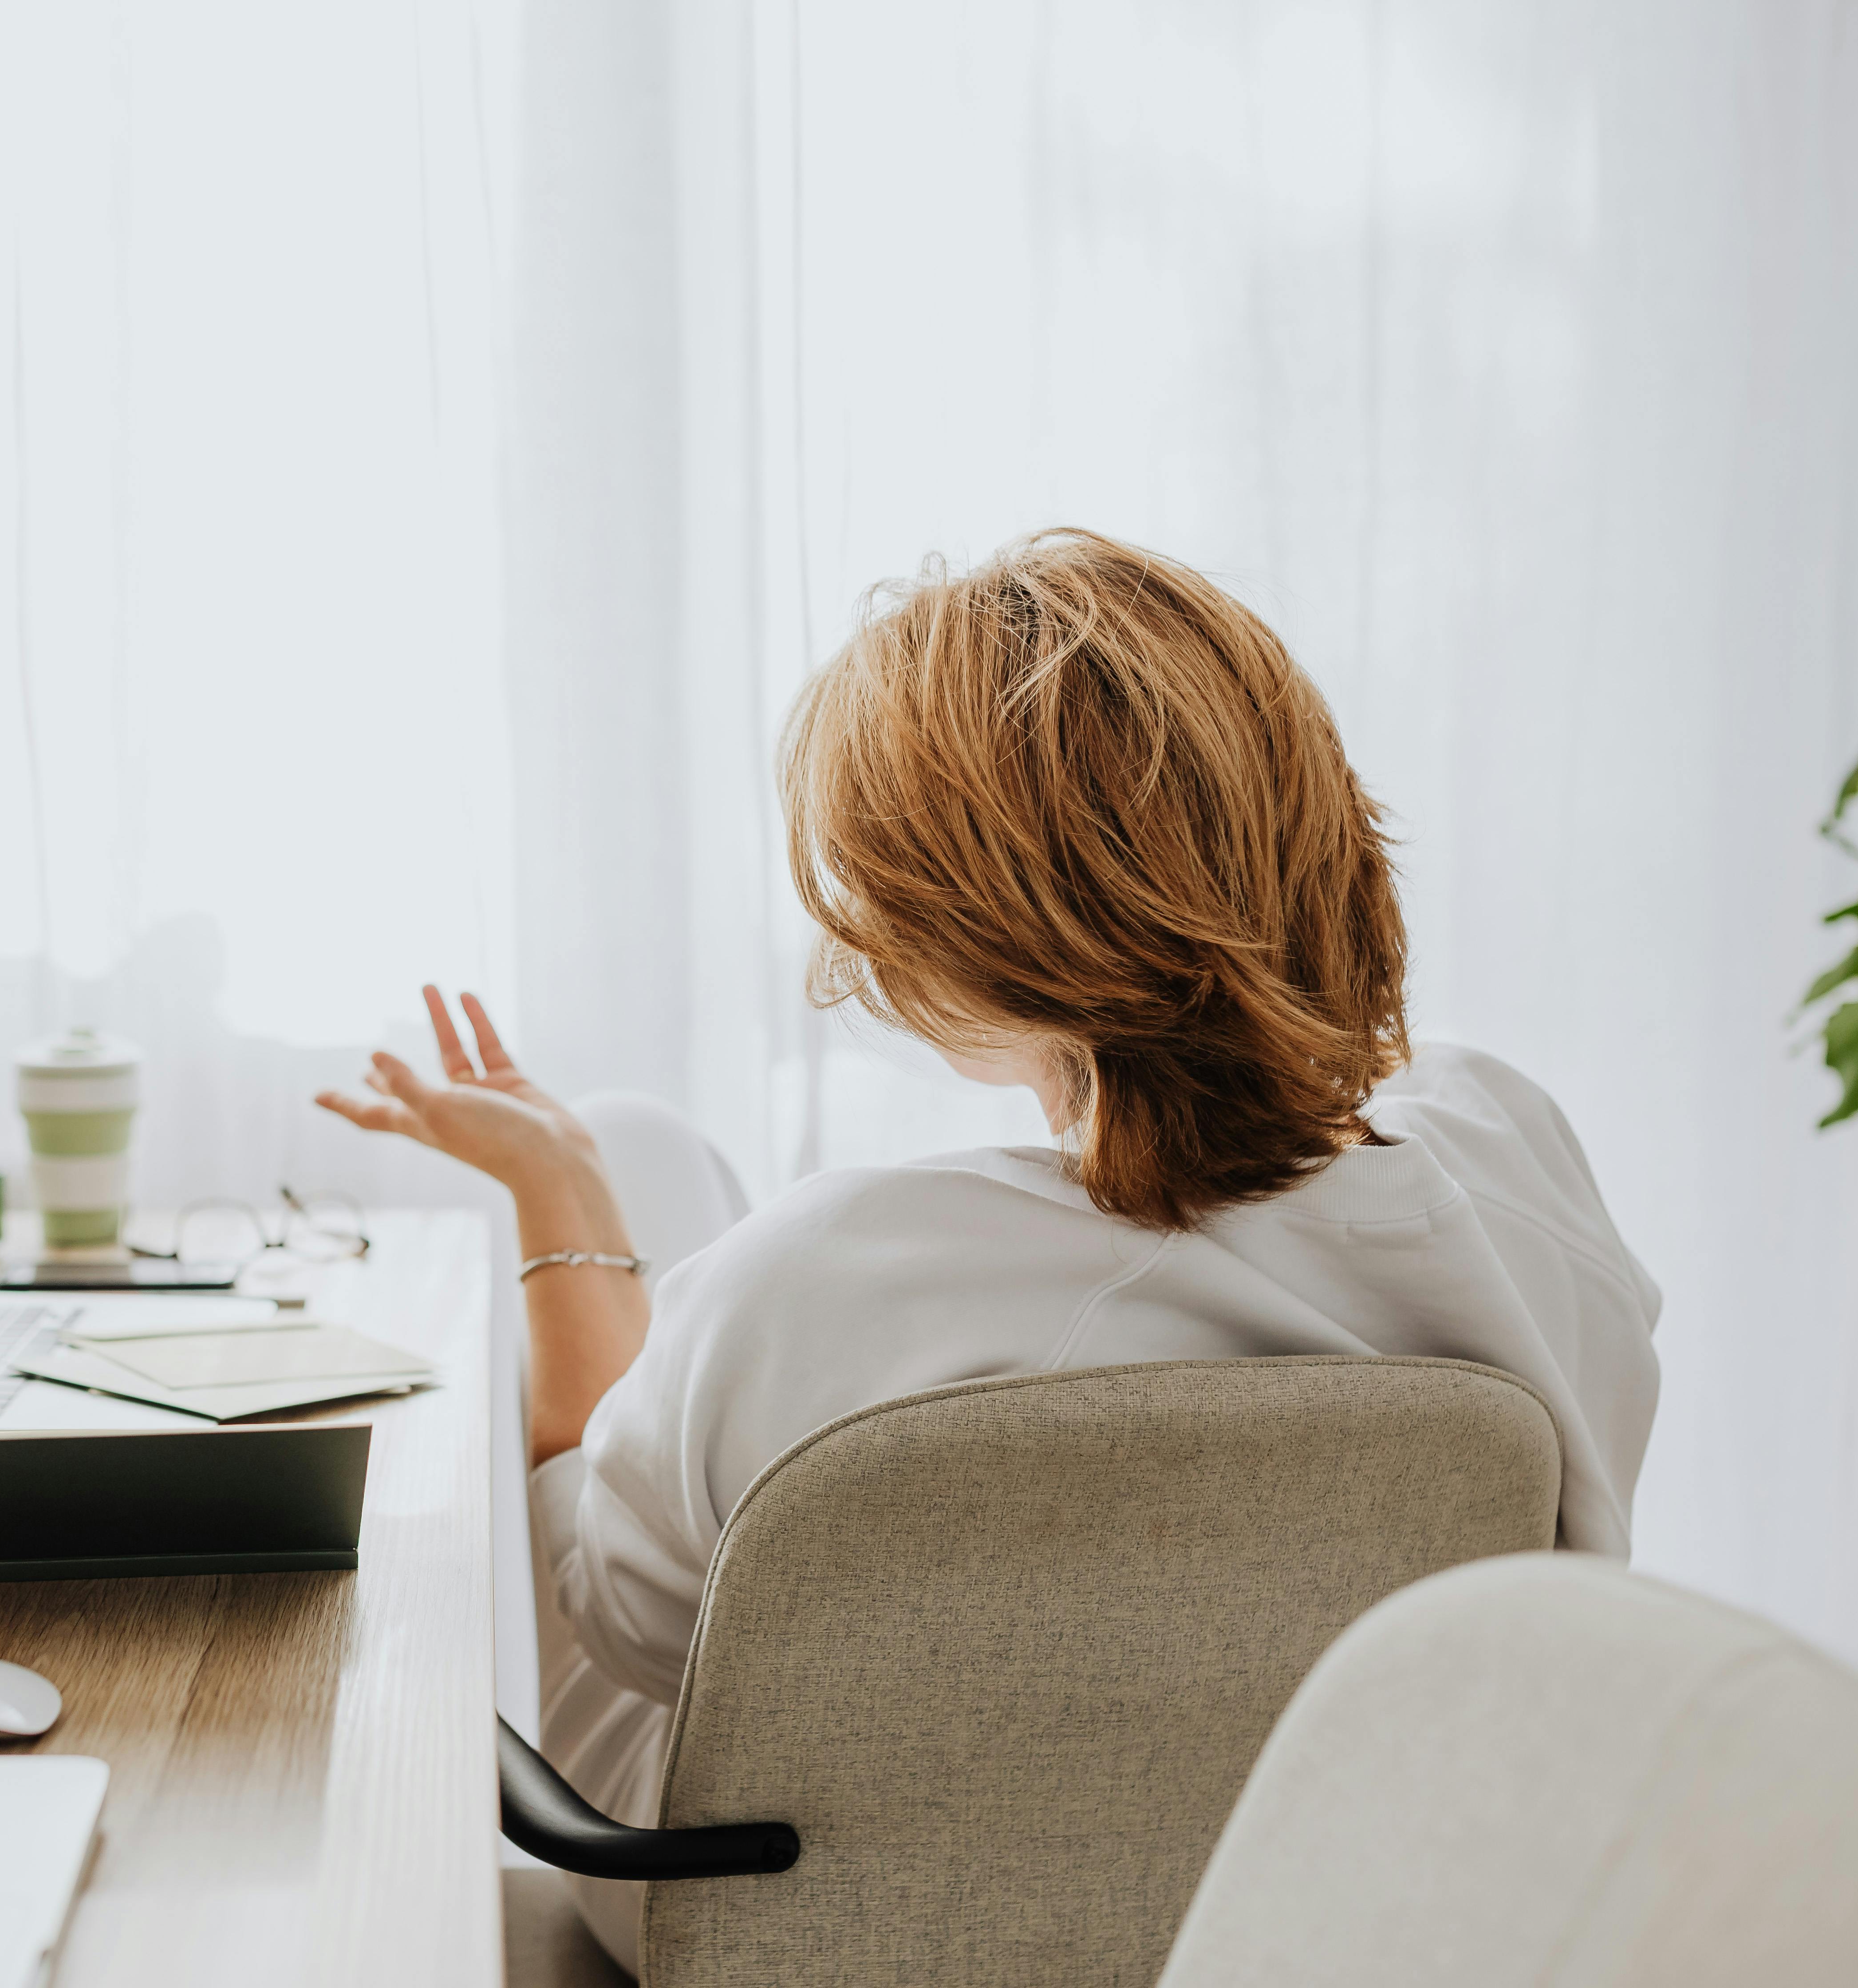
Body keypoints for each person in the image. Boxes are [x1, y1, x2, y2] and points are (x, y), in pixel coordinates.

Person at [317, 529, 1661, 1975]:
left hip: (805, 1918)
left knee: (610, 1324)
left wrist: (561, 1202)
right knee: (650, 1155)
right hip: (1330, 1891)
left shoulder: (824, 1279)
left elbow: (626, 1623)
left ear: (973, 932)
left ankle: (577, 1186)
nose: (849, 961)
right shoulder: (1511, 1150)